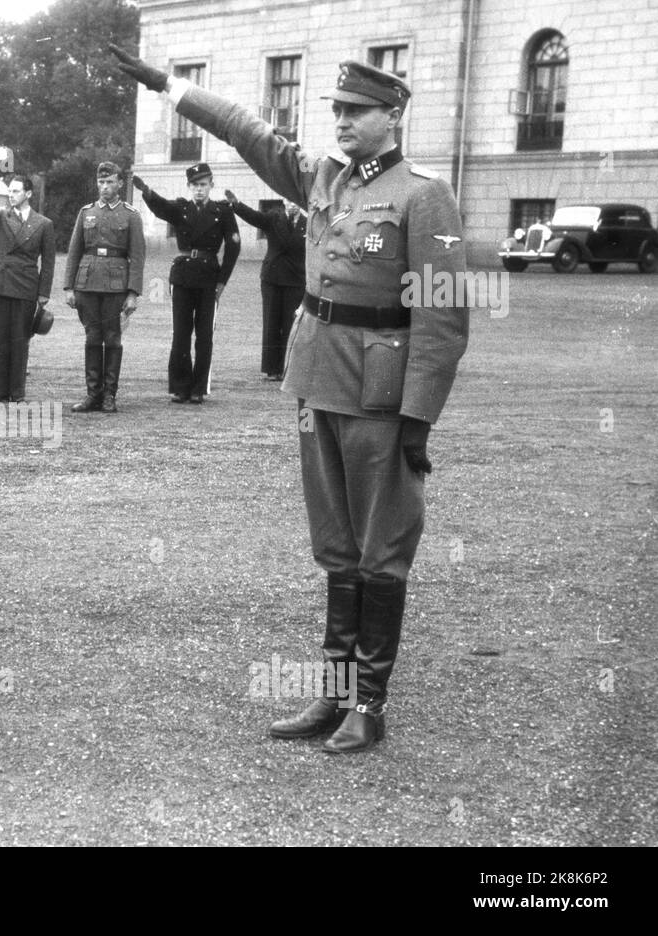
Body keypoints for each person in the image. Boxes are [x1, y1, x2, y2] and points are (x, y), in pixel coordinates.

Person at [112, 48, 469, 752]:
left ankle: (369, 702)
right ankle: (334, 697)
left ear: (393, 116)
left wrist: (419, 414)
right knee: (336, 546)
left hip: (380, 391)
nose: (341, 122)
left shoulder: (423, 195)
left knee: (381, 549)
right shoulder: (322, 178)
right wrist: (172, 88)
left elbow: (444, 316)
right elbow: (248, 131)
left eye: (356, 111)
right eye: (335, 110)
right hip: (318, 379)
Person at [132, 163, 240, 403]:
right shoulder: (181, 208)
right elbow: (161, 207)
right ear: (189, 187)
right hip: (182, 277)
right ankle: (180, 387)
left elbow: (233, 247)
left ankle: (199, 388)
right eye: (194, 185)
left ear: (211, 185)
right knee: (180, 333)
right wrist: (146, 191)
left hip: (208, 278)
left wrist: (222, 281)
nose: (199, 190)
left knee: (204, 335)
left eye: (203, 185)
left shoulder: (222, 211)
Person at [63, 161, 145, 413]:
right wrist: (69, 287)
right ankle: (92, 394)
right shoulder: (86, 212)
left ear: (120, 184)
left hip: (115, 284)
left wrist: (132, 293)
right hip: (87, 283)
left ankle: (109, 395)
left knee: (112, 338)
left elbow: (138, 256)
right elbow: (74, 250)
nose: (105, 187)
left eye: (110, 182)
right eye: (101, 182)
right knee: (91, 337)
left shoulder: (130, 215)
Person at [0, 174, 54, 403]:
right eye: (9, 192)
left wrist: (44, 293)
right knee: (0, 338)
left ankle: (17, 393)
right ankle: (0, 392)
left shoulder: (44, 224)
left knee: (20, 340)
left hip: (26, 286)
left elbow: (49, 262)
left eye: (15, 191)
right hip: (2, 284)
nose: (11, 195)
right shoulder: (2, 217)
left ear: (29, 194)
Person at [226, 192, 307, 380]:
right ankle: (271, 369)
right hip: (272, 278)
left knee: (291, 324)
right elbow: (255, 218)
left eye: (295, 201)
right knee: (271, 323)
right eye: (289, 200)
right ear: (284, 201)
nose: (292, 205)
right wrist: (237, 204)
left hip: (296, 280)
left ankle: (287, 368)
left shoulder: (307, 223)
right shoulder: (273, 217)